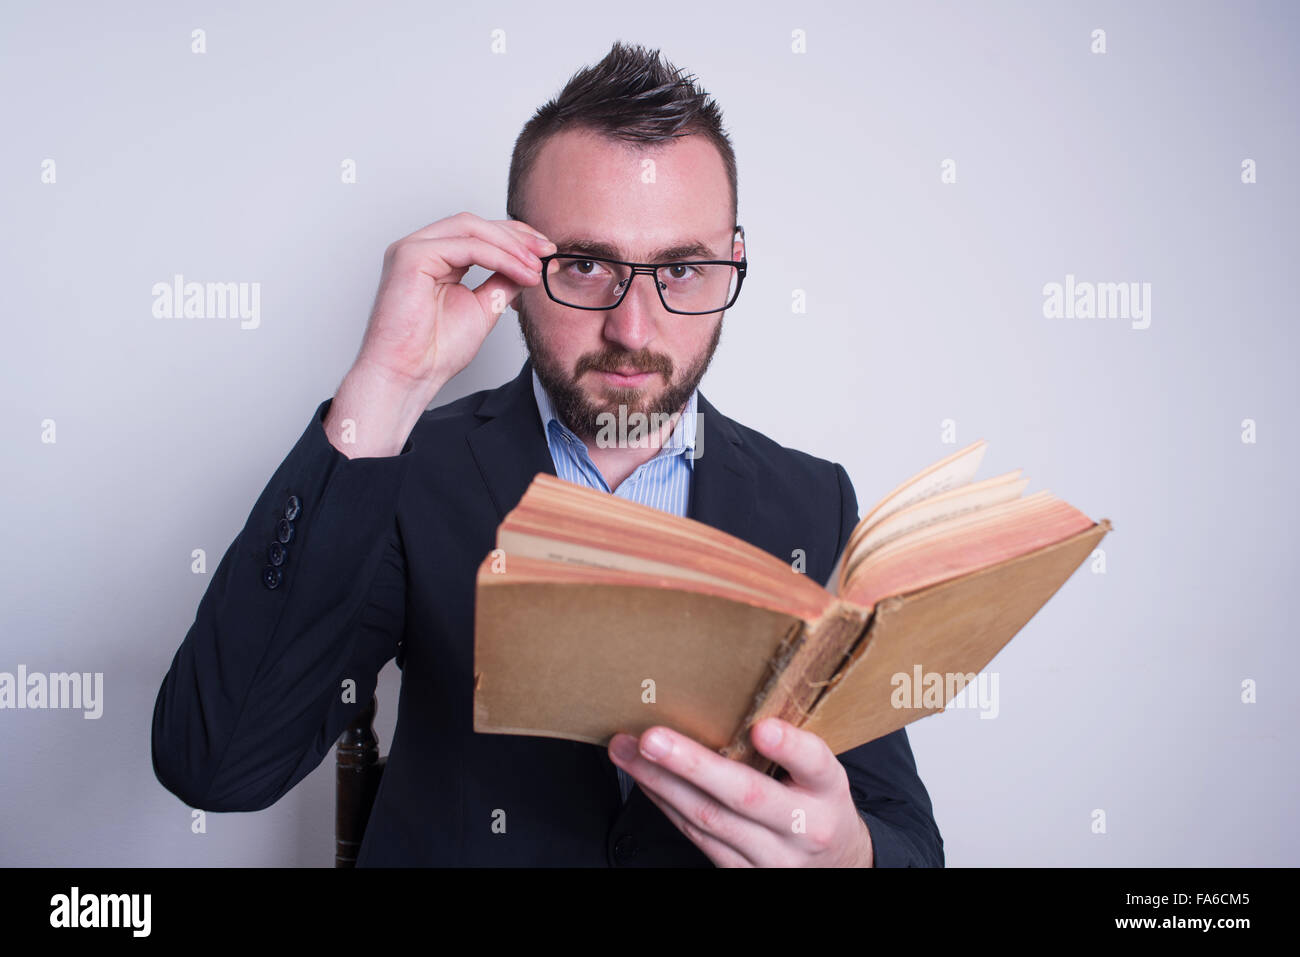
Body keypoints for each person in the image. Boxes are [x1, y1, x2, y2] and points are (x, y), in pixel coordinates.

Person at [151, 40, 944, 867]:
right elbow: (214, 764)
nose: (633, 329)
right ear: (516, 263)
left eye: (683, 267)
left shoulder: (811, 502)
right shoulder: (408, 468)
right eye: (587, 264)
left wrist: (851, 854)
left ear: (733, 262)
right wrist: (383, 387)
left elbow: (907, 837)